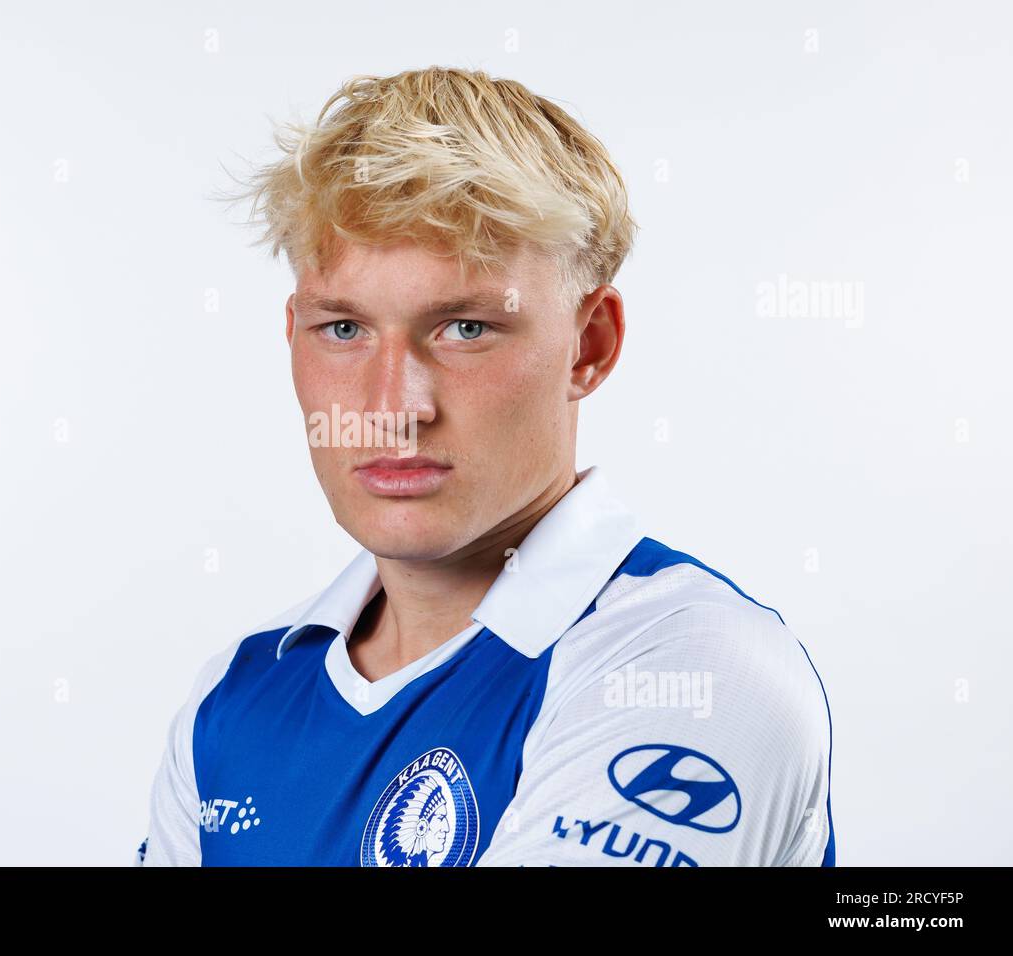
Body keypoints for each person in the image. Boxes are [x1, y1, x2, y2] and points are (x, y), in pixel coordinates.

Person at [135, 66, 833, 867]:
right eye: (343, 329)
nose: (394, 404)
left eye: (464, 328)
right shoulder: (237, 695)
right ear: (292, 333)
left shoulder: (691, 664)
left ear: (590, 345)